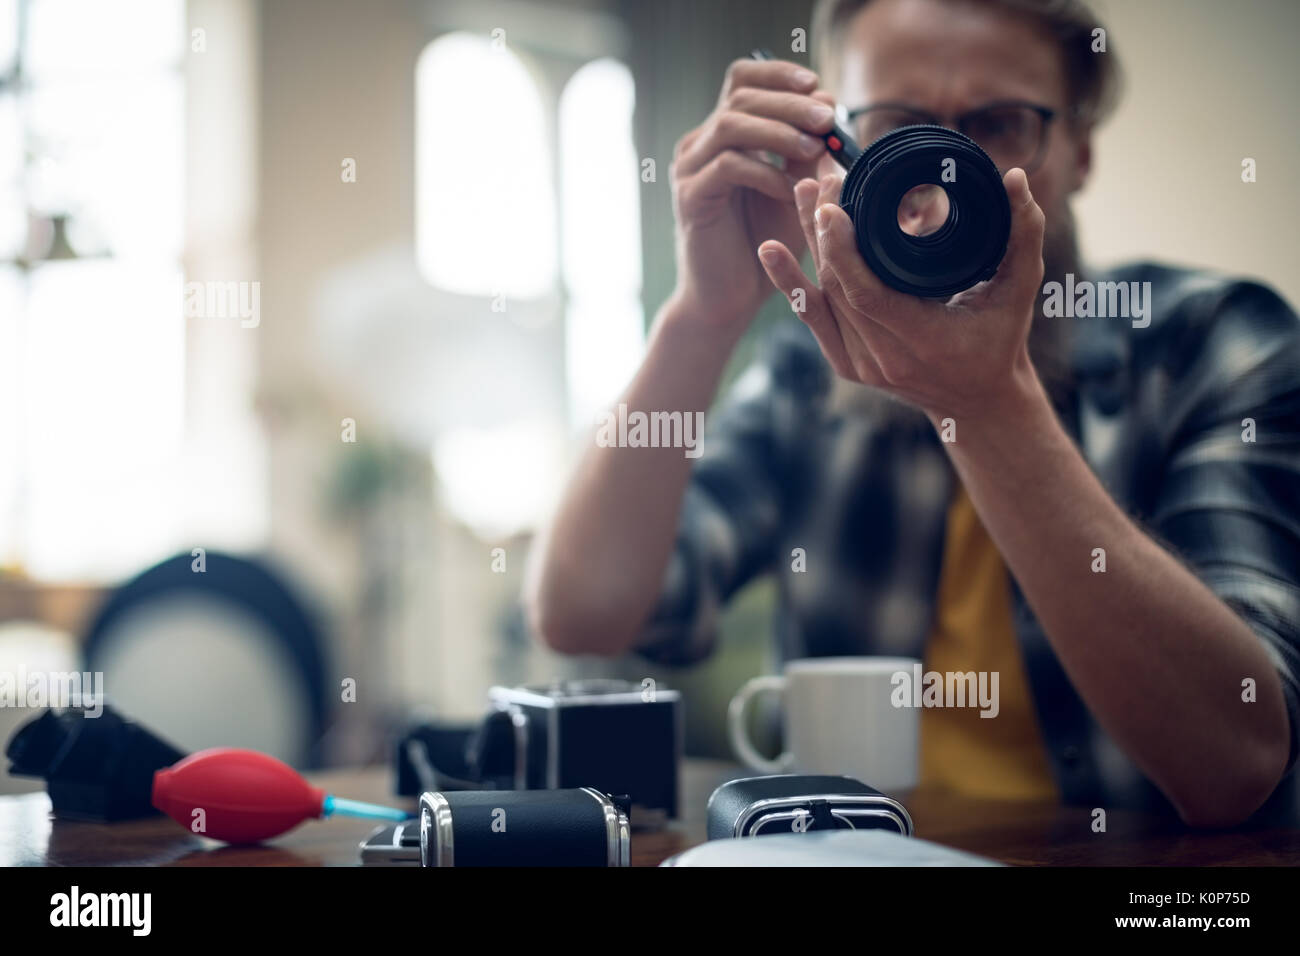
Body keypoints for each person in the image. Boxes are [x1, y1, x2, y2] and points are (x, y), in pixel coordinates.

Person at [524, 0, 1300, 827]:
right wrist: (703, 314)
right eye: (898, 126)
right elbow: (586, 612)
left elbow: (1237, 762)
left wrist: (986, 405)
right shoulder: (806, 371)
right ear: (837, 144)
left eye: (999, 124)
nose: (942, 173)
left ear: (1079, 153)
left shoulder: (1215, 344)